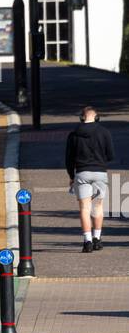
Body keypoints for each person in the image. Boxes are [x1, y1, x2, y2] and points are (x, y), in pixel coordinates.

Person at [66, 105, 115, 252]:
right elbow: (110, 155)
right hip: (100, 172)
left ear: (82, 118)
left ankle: (87, 241)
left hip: (81, 173)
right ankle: (97, 239)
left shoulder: (73, 134)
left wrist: (71, 176)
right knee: (98, 207)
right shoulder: (105, 132)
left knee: (84, 208)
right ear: (97, 117)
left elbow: (68, 159)